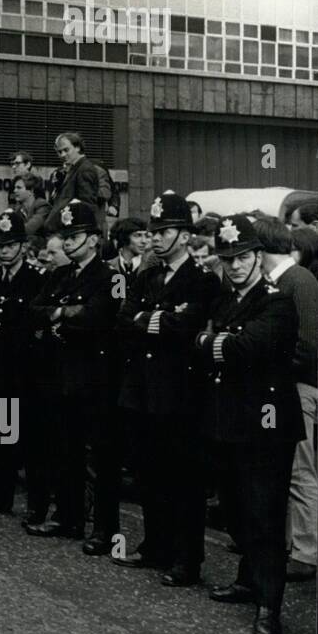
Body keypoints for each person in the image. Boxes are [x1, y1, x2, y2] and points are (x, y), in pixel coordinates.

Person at [196, 213, 303, 634]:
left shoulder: (277, 300)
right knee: (236, 509)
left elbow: (245, 348)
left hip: (266, 423)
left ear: (258, 256)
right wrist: (215, 343)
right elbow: (202, 342)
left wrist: (214, 343)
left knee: (265, 515)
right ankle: (247, 580)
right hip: (230, 420)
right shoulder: (224, 301)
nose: (235, 266)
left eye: (242, 257)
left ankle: (269, 606)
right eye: (228, 259)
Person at [115, 192, 221, 582]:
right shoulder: (148, 276)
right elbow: (124, 322)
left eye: (165, 231)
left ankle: (187, 559)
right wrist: (152, 319)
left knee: (183, 478)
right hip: (144, 391)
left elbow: (185, 328)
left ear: (184, 234)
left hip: (180, 394)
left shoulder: (202, 280)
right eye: (153, 231)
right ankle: (155, 545)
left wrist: (150, 320)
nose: (156, 238)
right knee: (149, 473)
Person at [28, 199, 121, 548]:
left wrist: (58, 318)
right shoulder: (58, 275)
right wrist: (64, 314)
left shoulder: (113, 277)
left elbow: (99, 318)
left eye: (76, 235)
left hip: (96, 378)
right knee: (64, 451)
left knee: (100, 458)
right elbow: (33, 312)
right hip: (61, 376)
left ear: (94, 239)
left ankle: (104, 528)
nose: (68, 243)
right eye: (65, 237)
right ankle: (69, 518)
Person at [253, 217, 318, 584]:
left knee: (298, 469)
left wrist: (273, 367)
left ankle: (307, 552)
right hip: (286, 387)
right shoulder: (284, 282)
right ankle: (291, 543)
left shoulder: (299, 282)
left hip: (299, 388)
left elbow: (309, 345)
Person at [0, 209, 44, 514]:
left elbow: (39, 329)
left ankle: (36, 506)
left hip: (27, 371)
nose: (3, 251)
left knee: (30, 440)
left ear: (23, 247)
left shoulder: (36, 280)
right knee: (1, 436)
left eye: (10, 245)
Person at [46, 132, 111, 214]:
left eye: (66, 150)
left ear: (77, 148)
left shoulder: (95, 170)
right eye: (59, 152)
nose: (62, 155)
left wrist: (76, 189)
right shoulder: (59, 173)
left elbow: (105, 193)